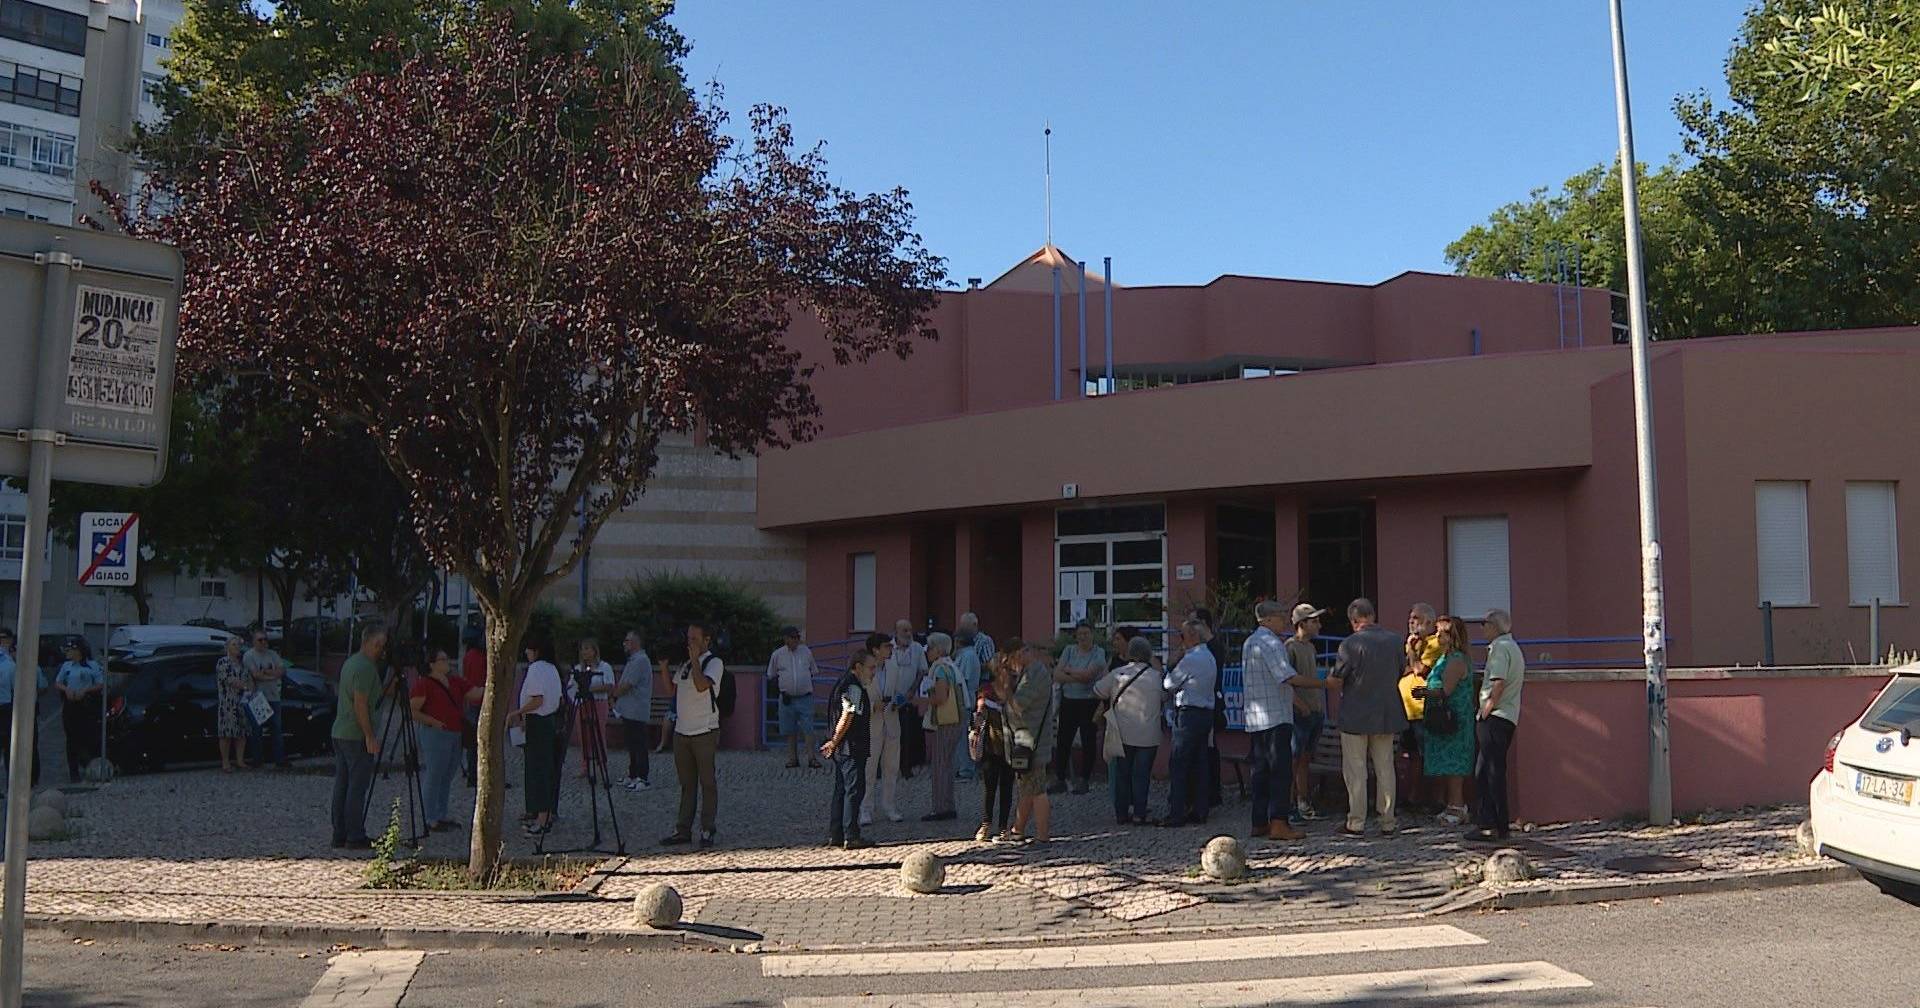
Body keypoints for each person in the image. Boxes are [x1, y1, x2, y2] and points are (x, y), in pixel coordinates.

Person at [1329, 599, 1408, 837]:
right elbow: (1402, 670)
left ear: (1354, 621)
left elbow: (1338, 677)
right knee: (1385, 767)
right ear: (1373, 615)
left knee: (1356, 769)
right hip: (1387, 712)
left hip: (1355, 713)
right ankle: (1387, 820)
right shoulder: (1395, 641)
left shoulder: (1350, 644)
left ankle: (1356, 821)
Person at [1241, 601, 1305, 842]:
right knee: (1280, 771)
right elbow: (1286, 676)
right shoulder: (1271, 643)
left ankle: (1259, 821)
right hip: (1275, 715)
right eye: (1280, 617)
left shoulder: (1250, 642)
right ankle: (1279, 822)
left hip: (1256, 717)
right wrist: (1322, 684)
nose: (1284, 621)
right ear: (1267, 620)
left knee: (1260, 771)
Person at [662, 621, 724, 848]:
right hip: (682, 731)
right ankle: (682, 829)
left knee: (707, 782)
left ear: (706, 640)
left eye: (694, 639)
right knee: (687, 784)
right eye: (688, 639)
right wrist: (663, 667)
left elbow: (701, 686)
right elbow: (671, 691)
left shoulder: (714, 663)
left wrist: (696, 659)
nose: (690, 643)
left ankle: (707, 829)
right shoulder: (686, 664)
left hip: (704, 731)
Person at [1468, 609, 1526, 842]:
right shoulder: (1513, 647)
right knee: (1484, 770)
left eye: (1484, 623)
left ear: (1494, 625)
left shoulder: (1500, 648)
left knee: (1491, 772)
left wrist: (1487, 707)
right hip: (1507, 716)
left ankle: (1496, 824)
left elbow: (1498, 682)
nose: (1482, 628)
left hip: (1496, 716)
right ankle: (1488, 821)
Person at [1093, 635, 1163, 825]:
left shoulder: (1118, 674)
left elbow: (1098, 690)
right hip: (1148, 733)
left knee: (1122, 774)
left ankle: (1121, 813)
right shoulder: (1156, 677)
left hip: (1122, 732)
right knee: (1142, 775)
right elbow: (1166, 696)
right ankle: (1140, 812)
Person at [330, 621, 388, 849]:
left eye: (382, 645)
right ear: (367, 642)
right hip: (354, 735)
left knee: (343, 785)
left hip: (341, 732)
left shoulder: (352, 663)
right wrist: (369, 735)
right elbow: (361, 703)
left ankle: (340, 833)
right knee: (356, 786)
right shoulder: (364, 667)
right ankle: (354, 834)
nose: (380, 650)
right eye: (378, 645)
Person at [410, 647, 480, 831]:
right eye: (443, 659)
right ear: (432, 664)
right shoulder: (424, 683)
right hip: (435, 734)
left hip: (455, 733)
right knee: (434, 774)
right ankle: (429, 817)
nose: (447, 662)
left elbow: (474, 693)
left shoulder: (455, 681)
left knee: (447, 775)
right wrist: (432, 722)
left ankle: (441, 813)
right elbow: (413, 710)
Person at [1415, 615, 1476, 826]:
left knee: (1455, 764)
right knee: (1446, 764)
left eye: (1443, 633)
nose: (1438, 637)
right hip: (1442, 719)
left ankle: (1458, 806)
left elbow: (1445, 690)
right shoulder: (1444, 657)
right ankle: (1451, 805)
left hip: (1454, 719)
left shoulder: (1457, 660)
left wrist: (1422, 692)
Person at [1161, 618, 1217, 826]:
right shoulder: (1209, 656)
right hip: (1205, 713)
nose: (1180, 640)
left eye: (1182, 636)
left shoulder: (1191, 659)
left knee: (1179, 762)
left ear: (1192, 637)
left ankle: (1176, 812)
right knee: (1200, 763)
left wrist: (1173, 663)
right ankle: (1200, 810)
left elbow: (1168, 684)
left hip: (1189, 713)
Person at [507, 638, 563, 838]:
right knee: (541, 768)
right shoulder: (552, 669)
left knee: (539, 769)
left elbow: (538, 699)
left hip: (539, 722)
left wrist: (518, 713)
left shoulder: (538, 669)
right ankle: (540, 811)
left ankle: (542, 817)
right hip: (545, 721)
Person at [820, 648, 876, 850]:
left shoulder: (841, 682)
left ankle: (836, 833)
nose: (873, 672)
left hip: (844, 748)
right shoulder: (854, 688)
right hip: (851, 747)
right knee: (853, 791)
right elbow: (847, 715)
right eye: (871, 668)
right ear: (858, 667)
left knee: (841, 791)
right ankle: (851, 835)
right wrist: (834, 741)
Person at [1007, 643, 1057, 843]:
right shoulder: (1032, 672)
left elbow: (1018, 705)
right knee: (1027, 787)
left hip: (1032, 740)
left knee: (1037, 789)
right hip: (1029, 738)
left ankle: (1042, 837)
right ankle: (1017, 830)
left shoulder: (1034, 675)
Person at [912, 632, 964, 821]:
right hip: (955, 720)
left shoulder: (940, 669)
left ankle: (941, 807)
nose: (927, 651)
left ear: (938, 649)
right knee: (947, 764)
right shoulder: (951, 666)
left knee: (940, 764)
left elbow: (941, 698)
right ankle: (947, 805)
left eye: (930, 647)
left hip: (945, 721)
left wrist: (922, 700)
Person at [1050, 621, 1106, 795]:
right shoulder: (1069, 650)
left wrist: (1068, 670)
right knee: (1063, 740)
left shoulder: (1098, 653)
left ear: (1092, 634)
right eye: (1080, 633)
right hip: (1069, 700)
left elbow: (1089, 675)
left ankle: (1084, 779)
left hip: (1089, 701)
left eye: (1086, 633)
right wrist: (1077, 676)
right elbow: (1057, 675)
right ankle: (1060, 779)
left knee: (1088, 740)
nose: (1082, 637)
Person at [1287, 605, 1330, 824]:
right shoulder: (1290, 648)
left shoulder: (1311, 648)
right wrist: (1299, 704)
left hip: (1315, 711)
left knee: (1305, 758)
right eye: (1314, 621)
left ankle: (1304, 802)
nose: (1318, 625)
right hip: (1299, 713)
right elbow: (1287, 682)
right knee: (1293, 759)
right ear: (1301, 624)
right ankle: (1290, 805)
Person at [971, 645, 1017, 841]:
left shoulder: (1015, 689)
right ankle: (985, 823)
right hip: (992, 744)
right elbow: (979, 715)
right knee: (989, 787)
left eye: (1007, 668)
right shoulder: (987, 690)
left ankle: (1004, 826)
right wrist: (979, 715)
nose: (1005, 672)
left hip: (1011, 744)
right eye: (1002, 668)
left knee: (1007, 786)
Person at [876, 620, 924, 801]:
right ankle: (881, 767)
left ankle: (905, 766)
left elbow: (921, 671)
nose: (908, 633)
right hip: (889, 698)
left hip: (908, 697)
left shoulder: (917, 648)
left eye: (910, 630)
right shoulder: (889, 648)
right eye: (904, 630)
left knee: (907, 735)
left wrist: (912, 690)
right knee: (884, 733)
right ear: (896, 631)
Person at [1400, 603, 1441, 810]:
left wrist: (1411, 651)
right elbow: (1406, 669)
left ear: (1428, 622)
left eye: (1416, 618)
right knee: (1412, 755)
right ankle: (1413, 797)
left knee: (1428, 755)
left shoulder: (1435, 643)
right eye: (1410, 617)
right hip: (1407, 709)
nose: (1411, 622)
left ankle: (1434, 799)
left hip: (1423, 708)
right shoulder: (1416, 643)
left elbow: (1419, 669)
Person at [1188, 607, 1228, 807]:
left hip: (1210, 704)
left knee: (1210, 749)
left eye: (1194, 623)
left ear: (1203, 623)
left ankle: (1212, 792)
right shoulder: (1199, 647)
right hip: (1202, 702)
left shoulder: (1214, 646)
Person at [860, 630, 900, 826]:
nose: (891, 650)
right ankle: (865, 809)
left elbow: (896, 690)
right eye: (887, 647)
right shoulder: (865, 669)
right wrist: (871, 706)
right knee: (869, 768)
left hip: (891, 721)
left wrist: (897, 701)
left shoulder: (893, 667)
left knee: (891, 767)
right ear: (875, 650)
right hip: (871, 723)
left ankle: (889, 806)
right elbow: (857, 696)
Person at [610, 630, 656, 790]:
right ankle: (633, 774)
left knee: (639, 743)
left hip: (636, 709)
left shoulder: (640, 661)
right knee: (632, 744)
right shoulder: (633, 660)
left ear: (636, 643)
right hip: (629, 709)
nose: (624, 643)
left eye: (627, 641)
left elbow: (628, 684)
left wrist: (614, 694)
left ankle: (642, 777)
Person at [54, 638, 104, 783]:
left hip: (86, 705)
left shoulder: (92, 665)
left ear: (78, 651)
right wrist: (66, 689)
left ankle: (92, 768)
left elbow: (100, 684)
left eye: (70, 650)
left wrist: (86, 690)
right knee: (71, 739)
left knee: (89, 737)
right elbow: (58, 682)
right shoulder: (66, 666)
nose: (68, 653)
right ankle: (73, 773)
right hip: (71, 705)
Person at [768, 627, 819, 769]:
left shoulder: (806, 652)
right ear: (785, 639)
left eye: (797, 637)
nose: (795, 640)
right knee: (789, 730)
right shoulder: (777, 655)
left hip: (805, 697)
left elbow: (813, 670)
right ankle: (792, 758)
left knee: (808, 728)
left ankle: (811, 758)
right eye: (792, 638)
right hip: (787, 698)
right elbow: (771, 674)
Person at [0, 627, 41, 788]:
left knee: (17, 746)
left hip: (12, 707)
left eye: (4, 638)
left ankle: (19, 782)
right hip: (8, 706)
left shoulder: (13, 663)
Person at [243, 629, 290, 769]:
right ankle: (257, 759)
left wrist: (268, 673)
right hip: (257, 697)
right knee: (257, 730)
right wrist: (272, 674)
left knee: (277, 729)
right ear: (254, 641)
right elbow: (256, 675)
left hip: (273, 696)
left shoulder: (272, 654)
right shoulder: (249, 656)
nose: (264, 642)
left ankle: (279, 759)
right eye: (260, 640)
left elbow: (282, 670)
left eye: (265, 639)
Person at [573, 639, 615, 781]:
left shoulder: (604, 667)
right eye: (582, 649)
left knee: (598, 734)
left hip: (598, 702)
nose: (584, 652)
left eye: (587, 649)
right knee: (583, 735)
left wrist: (591, 689)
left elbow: (609, 685)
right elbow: (572, 686)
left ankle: (601, 764)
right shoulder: (578, 668)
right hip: (582, 704)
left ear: (594, 651)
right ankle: (585, 766)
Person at [951, 620, 984, 781]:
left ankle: (966, 769)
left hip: (964, 699)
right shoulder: (968, 655)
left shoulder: (967, 656)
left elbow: (961, 679)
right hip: (967, 698)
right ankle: (965, 767)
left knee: (963, 737)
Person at [214, 637, 253, 773]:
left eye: (238, 645)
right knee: (226, 734)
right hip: (227, 704)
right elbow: (229, 680)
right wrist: (244, 686)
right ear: (227, 647)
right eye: (234, 644)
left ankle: (240, 760)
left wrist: (250, 689)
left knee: (241, 733)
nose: (237, 647)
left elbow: (249, 680)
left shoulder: (242, 664)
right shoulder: (223, 663)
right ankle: (225, 763)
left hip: (242, 702)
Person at [460, 628, 486, 787]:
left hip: (471, 699)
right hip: (480, 699)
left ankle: (472, 773)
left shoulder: (468, 657)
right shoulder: (481, 657)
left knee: (472, 741)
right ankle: (477, 774)